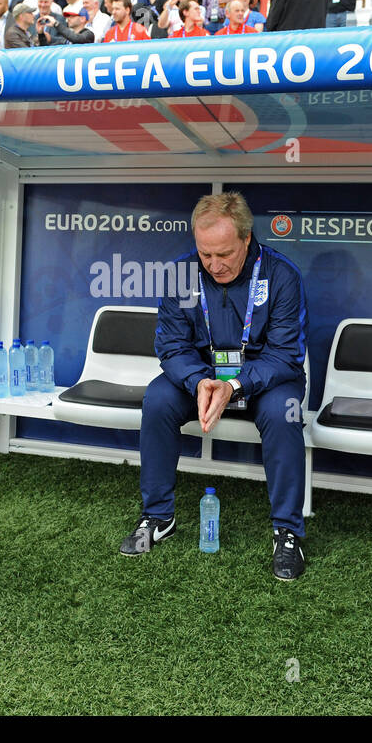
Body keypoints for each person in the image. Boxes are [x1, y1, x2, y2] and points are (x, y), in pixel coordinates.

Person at [120, 192, 309, 581]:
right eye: (205, 254)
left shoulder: (282, 275)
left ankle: (288, 531)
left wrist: (236, 385)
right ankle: (157, 516)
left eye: (224, 254)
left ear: (245, 238)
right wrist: (200, 381)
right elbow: (170, 346)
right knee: (157, 398)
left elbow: (285, 354)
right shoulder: (181, 274)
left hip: (264, 380)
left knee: (282, 411)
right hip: (202, 378)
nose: (214, 265)